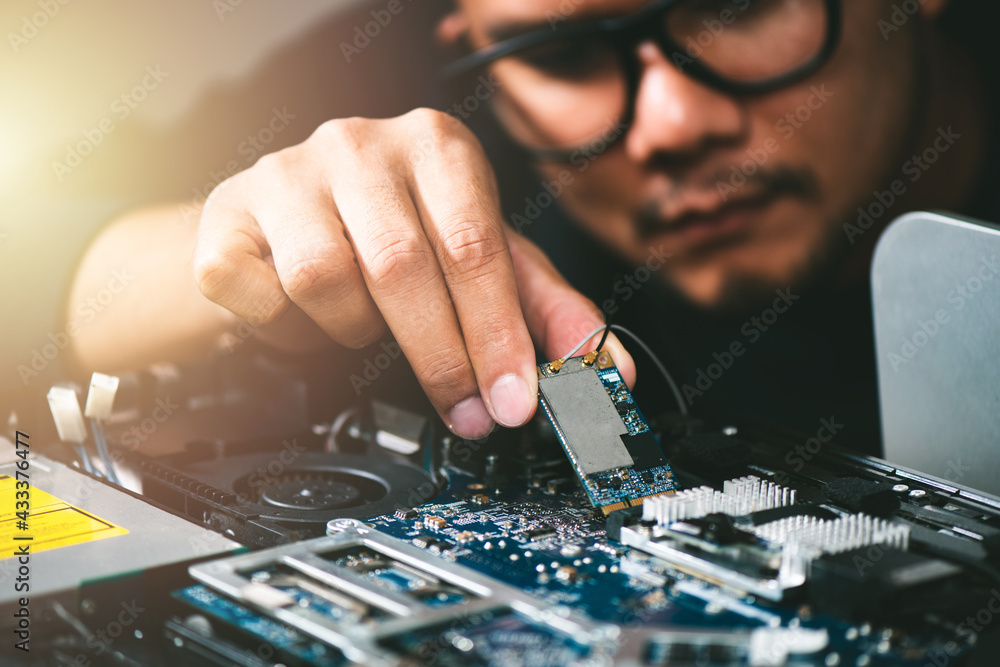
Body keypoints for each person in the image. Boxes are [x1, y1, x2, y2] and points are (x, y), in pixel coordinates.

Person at [63, 0, 997, 454]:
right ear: (468, 43)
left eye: (732, 5)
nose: (675, 124)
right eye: (564, 53)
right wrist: (234, 255)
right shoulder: (389, 66)